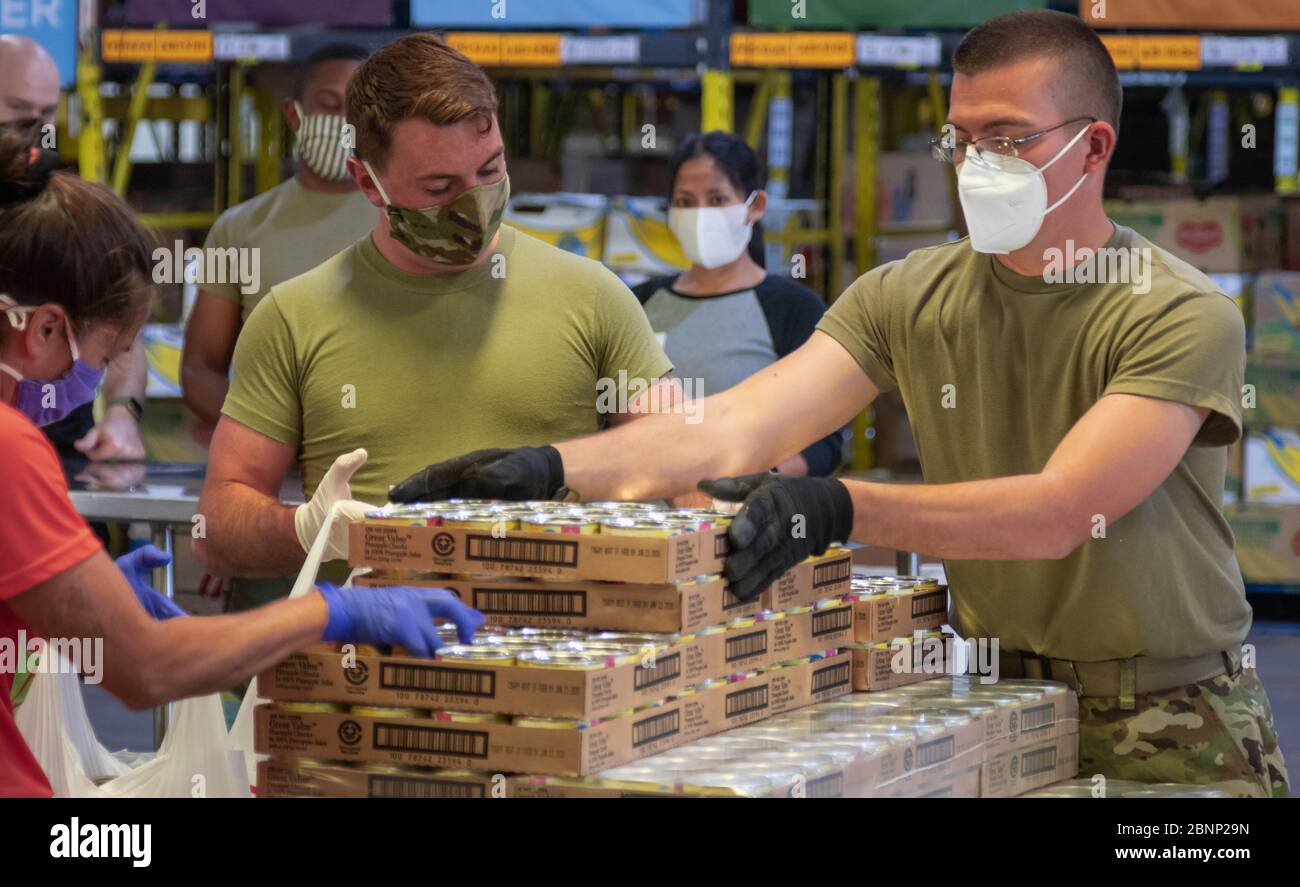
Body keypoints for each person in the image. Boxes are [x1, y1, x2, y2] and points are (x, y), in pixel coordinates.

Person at [389, 10, 1288, 797]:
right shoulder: (908, 294)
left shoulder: (1177, 309)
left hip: (1173, 728)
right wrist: (550, 469)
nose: (976, 165)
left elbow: (1061, 509)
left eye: (1008, 139)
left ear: (1092, 146)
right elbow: (736, 424)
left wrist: (840, 504)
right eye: (962, 139)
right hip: (994, 698)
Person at [0, 133, 482, 798]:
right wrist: (329, 611)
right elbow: (144, 669)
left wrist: (72, 597)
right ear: (46, 329)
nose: (103, 378)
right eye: (111, 353)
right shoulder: (11, 448)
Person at [192, 34, 673, 586]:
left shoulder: (594, 297)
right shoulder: (292, 318)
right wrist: (308, 529)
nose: (474, 202)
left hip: (555, 656)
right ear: (367, 183)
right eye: (440, 188)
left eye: (490, 172)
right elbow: (217, 529)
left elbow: (684, 459)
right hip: (373, 660)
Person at [181, 44, 376, 430]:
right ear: (294, 115)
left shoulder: (405, 220)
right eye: (329, 104)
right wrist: (270, 437)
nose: (343, 121)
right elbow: (199, 369)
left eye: (358, 110)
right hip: (272, 468)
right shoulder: (237, 228)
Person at [633, 131, 847, 478]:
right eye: (685, 202)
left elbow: (825, 440)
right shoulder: (639, 303)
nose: (700, 215)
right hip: (648, 517)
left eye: (717, 200)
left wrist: (750, 486)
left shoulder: (793, 309)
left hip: (747, 516)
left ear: (755, 206)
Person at [0, 34, 147, 462]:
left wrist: (123, 412)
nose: (34, 125)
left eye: (45, 111)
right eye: (16, 108)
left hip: (63, 450)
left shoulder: (70, 209)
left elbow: (119, 324)